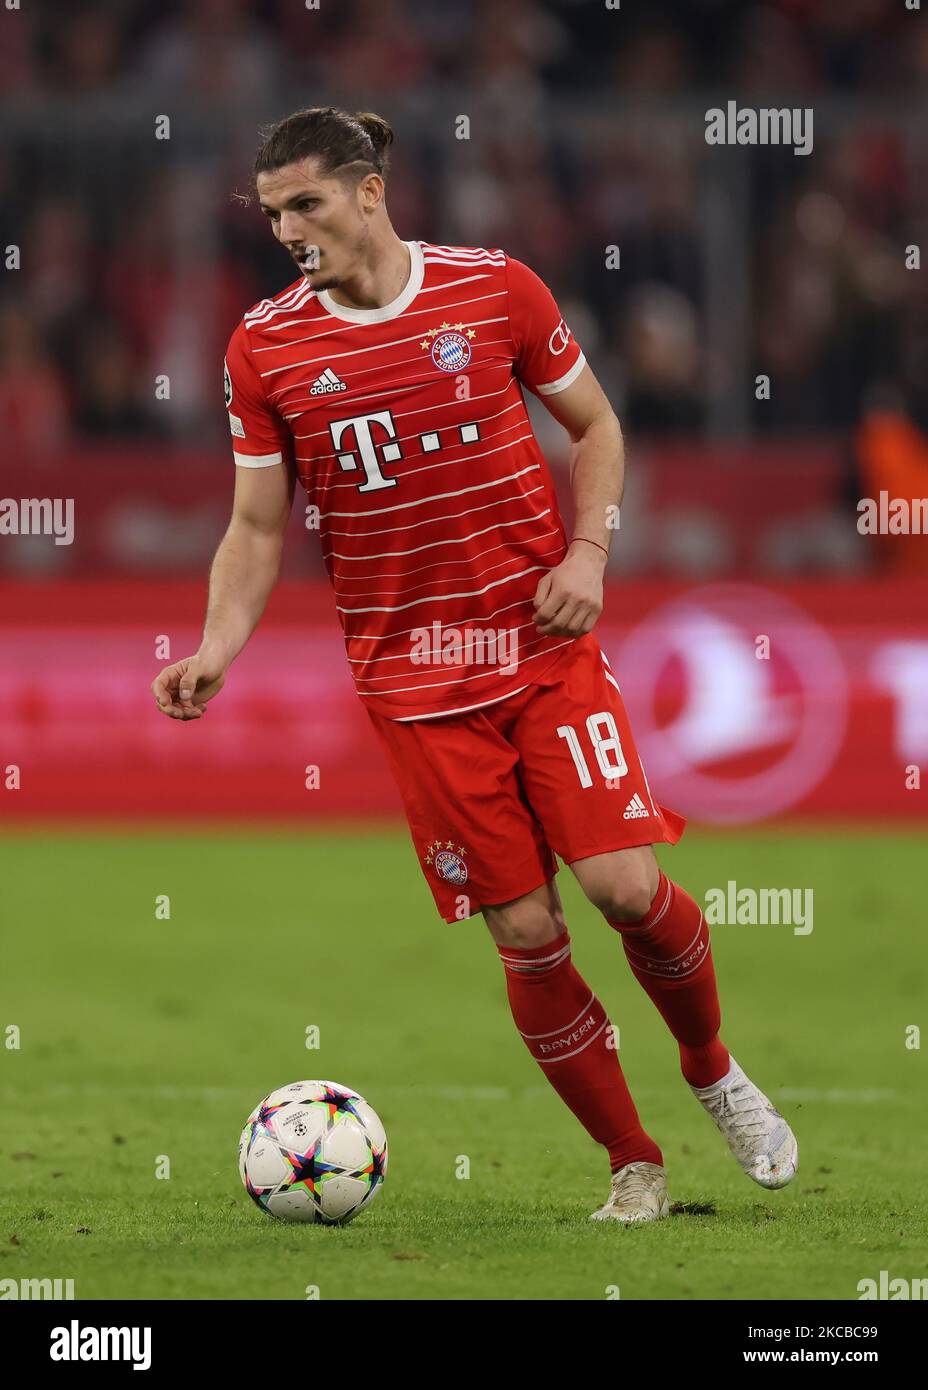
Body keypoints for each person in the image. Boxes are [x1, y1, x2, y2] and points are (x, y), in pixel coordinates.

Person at [152, 106, 798, 1222]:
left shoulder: (494, 288)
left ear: (368, 191)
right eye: (269, 214)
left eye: (305, 202)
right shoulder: (265, 346)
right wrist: (215, 645)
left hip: (539, 646)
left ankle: (710, 1069)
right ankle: (632, 1161)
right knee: (527, 931)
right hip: (413, 687)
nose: (287, 229)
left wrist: (588, 552)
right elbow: (258, 528)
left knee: (626, 888)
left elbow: (596, 426)